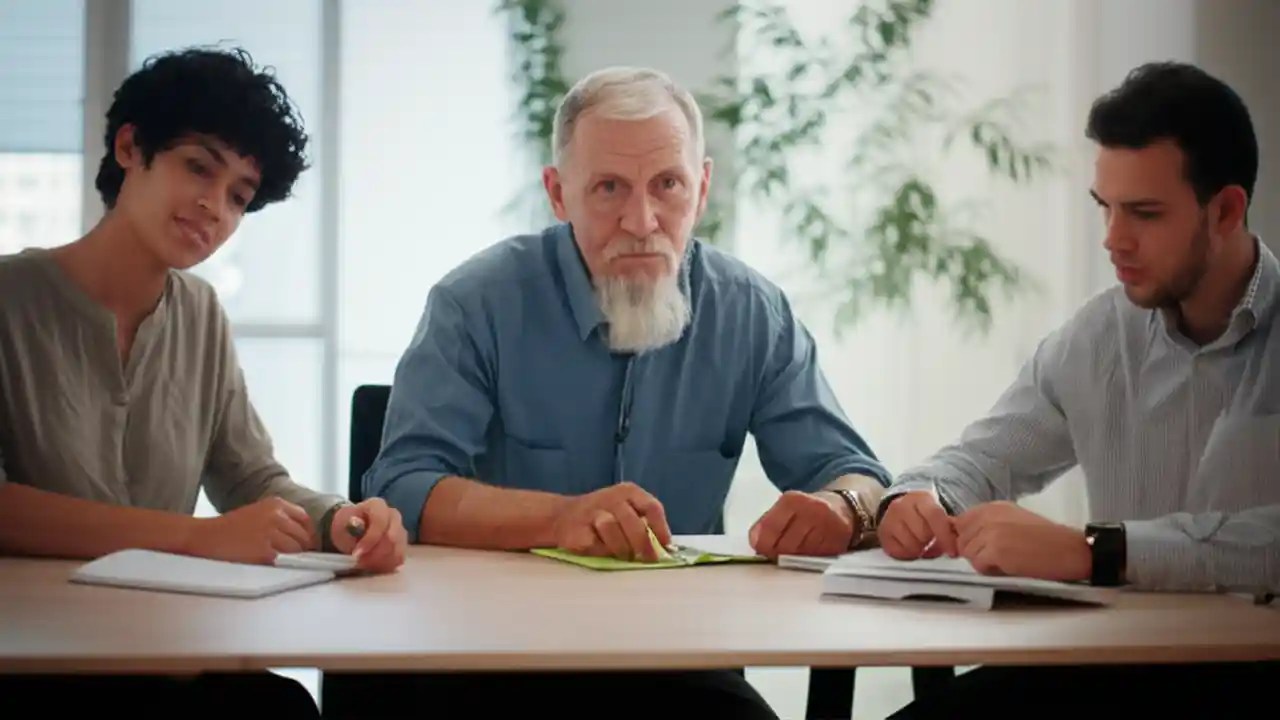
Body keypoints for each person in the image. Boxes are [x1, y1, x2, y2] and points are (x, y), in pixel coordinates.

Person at [344, 66, 892, 718]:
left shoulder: (752, 312)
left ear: (703, 187)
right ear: (557, 193)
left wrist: (843, 509)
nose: (642, 220)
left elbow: (858, 475)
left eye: (668, 185)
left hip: (678, 663)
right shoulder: (476, 303)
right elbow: (400, 487)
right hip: (491, 656)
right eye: (609, 188)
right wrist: (559, 519)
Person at [0, 47, 407, 716]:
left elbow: (251, 482)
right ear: (131, 147)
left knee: (282, 711)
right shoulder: (10, 299)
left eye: (239, 196)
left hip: (164, 652)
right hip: (36, 658)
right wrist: (198, 537)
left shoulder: (200, 314)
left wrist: (340, 519)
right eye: (198, 168)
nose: (215, 208)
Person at [877, 61, 1279, 718]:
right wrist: (919, 496)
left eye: (1144, 213)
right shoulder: (1099, 337)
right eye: (1106, 208)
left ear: (1226, 209)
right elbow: (979, 458)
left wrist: (1094, 550)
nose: (1113, 240)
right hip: (1110, 672)